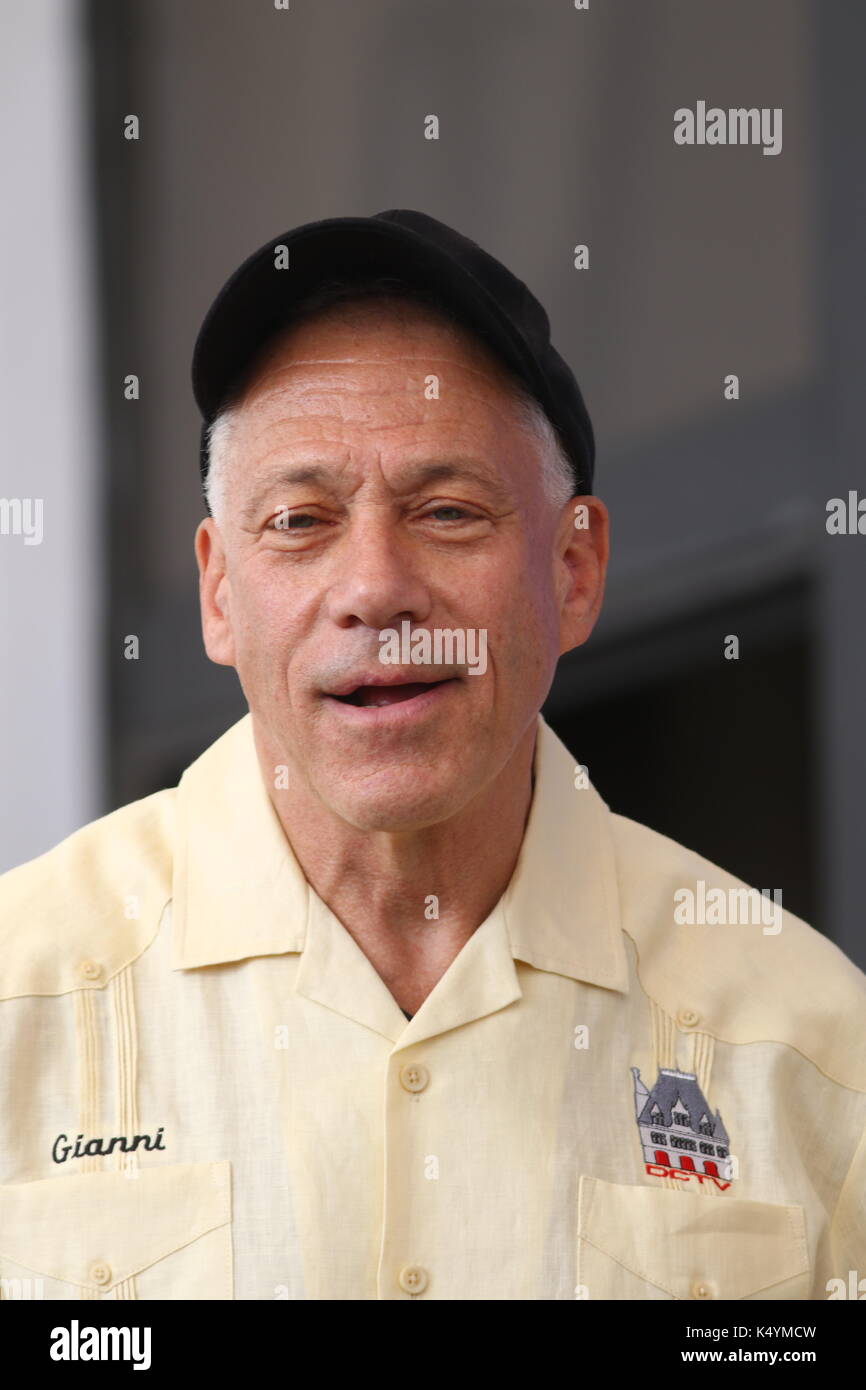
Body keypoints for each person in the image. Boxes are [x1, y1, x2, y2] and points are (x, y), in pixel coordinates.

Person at [0, 210, 863, 1302]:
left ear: (572, 570)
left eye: (447, 511)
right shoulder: (18, 999)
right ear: (219, 592)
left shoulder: (809, 1050)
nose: (372, 588)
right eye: (299, 520)